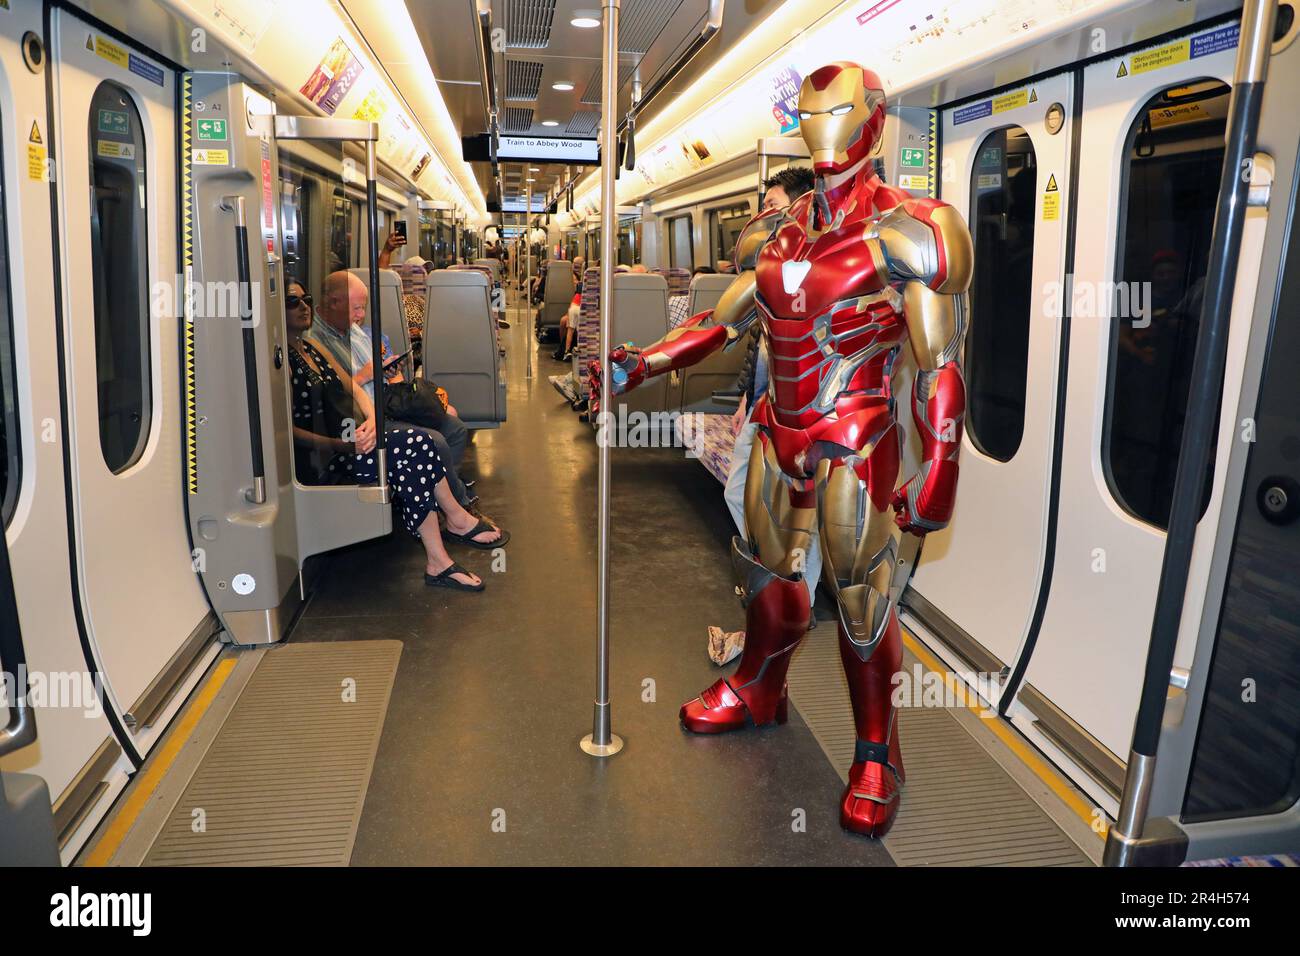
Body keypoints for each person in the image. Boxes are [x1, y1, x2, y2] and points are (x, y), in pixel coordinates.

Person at [598, 63, 973, 839]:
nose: (826, 126)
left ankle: (879, 755)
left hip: (855, 431)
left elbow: (939, 363)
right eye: (814, 113)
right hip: (778, 428)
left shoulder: (914, 227)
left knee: (862, 595)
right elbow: (724, 320)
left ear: (872, 118)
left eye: (841, 112)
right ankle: (758, 688)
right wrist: (645, 363)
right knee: (765, 571)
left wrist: (941, 468)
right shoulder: (778, 230)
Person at [284, 280, 507, 592]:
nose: (304, 306)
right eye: (292, 301)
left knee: (421, 444)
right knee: (418, 445)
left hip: (358, 435)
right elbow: (285, 429)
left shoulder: (312, 348)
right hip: (330, 453)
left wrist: (373, 420)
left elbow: (354, 390)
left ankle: (444, 547)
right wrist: (342, 444)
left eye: (305, 298)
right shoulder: (282, 362)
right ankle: (451, 532)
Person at [714, 166, 819, 663]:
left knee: (800, 516)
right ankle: (772, 580)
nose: (765, 217)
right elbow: (758, 341)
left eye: (774, 207)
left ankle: (796, 603)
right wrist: (743, 399)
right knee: (738, 493)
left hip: (802, 416)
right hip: (761, 405)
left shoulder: (819, 269)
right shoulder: (771, 270)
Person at [308, 271, 480, 512]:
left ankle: (440, 496)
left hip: (385, 403)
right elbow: (333, 394)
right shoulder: (315, 341)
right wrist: (366, 375)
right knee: (436, 441)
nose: (361, 315)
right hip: (361, 419)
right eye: (357, 308)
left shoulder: (351, 329)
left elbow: (372, 368)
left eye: (363, 308)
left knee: (455, 429)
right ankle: (457, 505)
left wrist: (386, 371)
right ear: (334, 303)